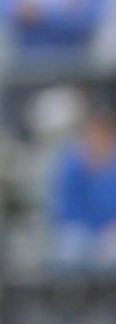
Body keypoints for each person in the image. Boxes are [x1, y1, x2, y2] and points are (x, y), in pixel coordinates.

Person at [46, 105, 116, 271]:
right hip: (76, 230)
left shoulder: (112, 164)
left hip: (108, 231)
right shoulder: (71, 163)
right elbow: (64, 208)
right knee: (71, 248)